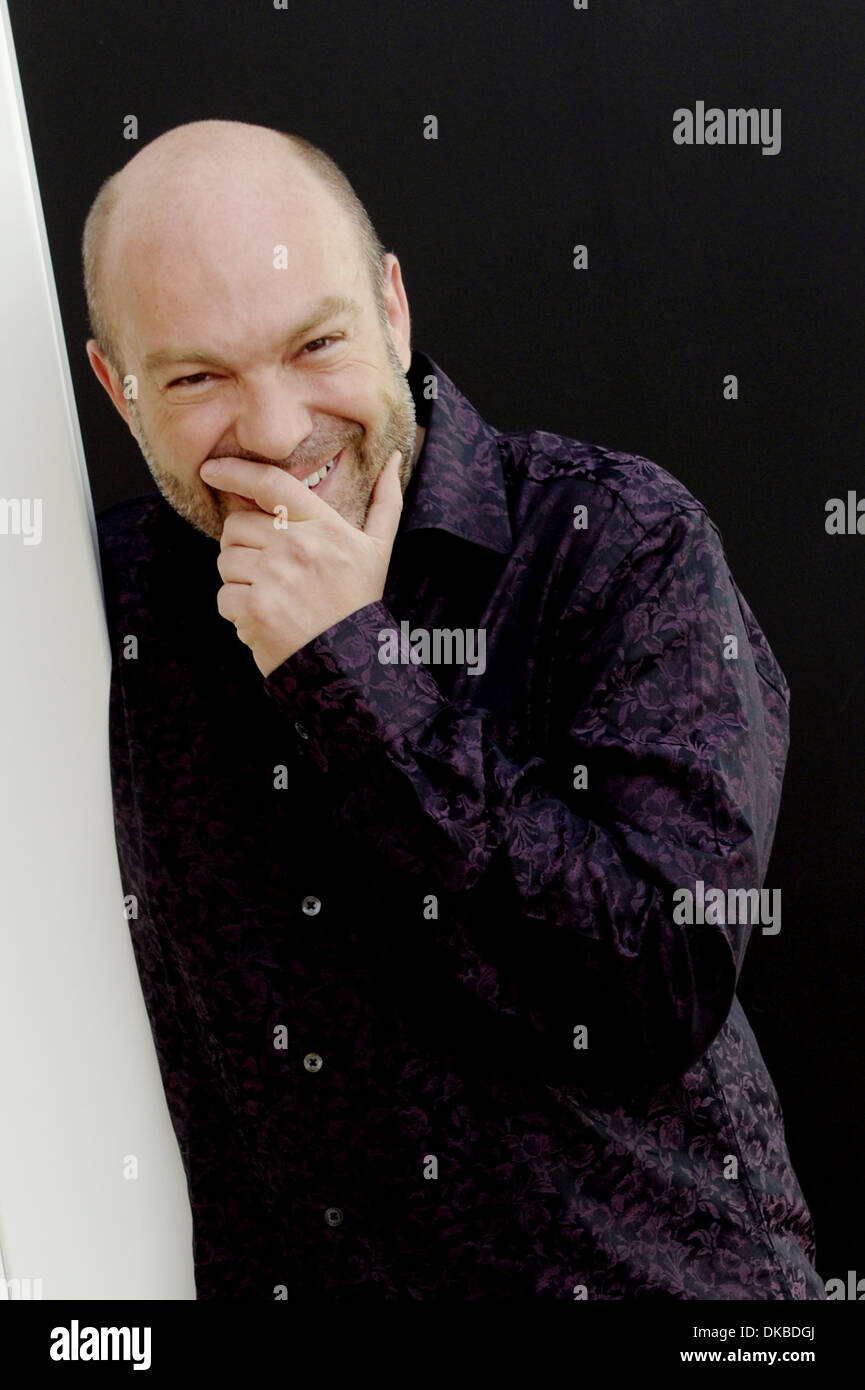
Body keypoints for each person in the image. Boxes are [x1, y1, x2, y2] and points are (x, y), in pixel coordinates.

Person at [85, 118, 823, 1300]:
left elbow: (661, 981)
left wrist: (354, 670)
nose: (275, 432)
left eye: (315, 344)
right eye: (197, 378)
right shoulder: (89, 610)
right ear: (116, 387)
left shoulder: (615, 541)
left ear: (391, 306)